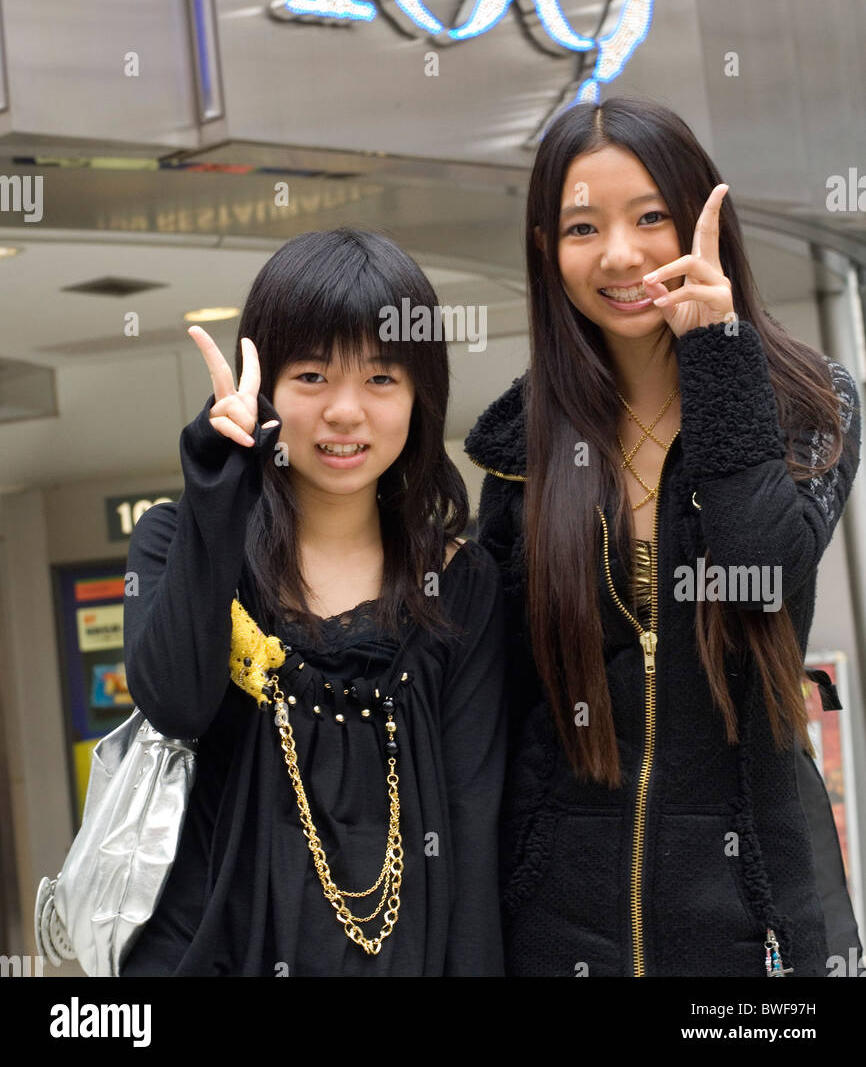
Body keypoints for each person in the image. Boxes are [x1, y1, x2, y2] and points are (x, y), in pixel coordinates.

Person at [464, 97, 862, 978]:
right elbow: (498, 690)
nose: (620, 254)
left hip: (758, 919)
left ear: (700, 214)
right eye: (581, 226)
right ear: (545, 249)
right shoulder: (524, 444)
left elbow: (761, 571)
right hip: (560, 928)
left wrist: (720, 352)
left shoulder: (807, 403)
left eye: (651, 217)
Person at [119, 227, 507, 977]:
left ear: (422, 396)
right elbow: (176, 705)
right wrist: (215, 491)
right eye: (311, 377)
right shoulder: (180, 539)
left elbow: (473, 826)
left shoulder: (461, 584)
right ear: (264, 386)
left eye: (382, 380)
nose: (345, 411)